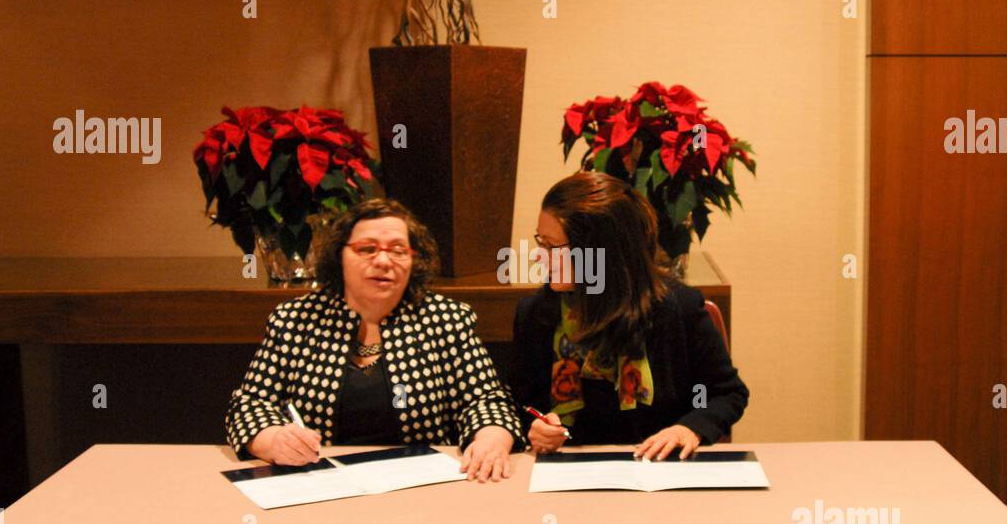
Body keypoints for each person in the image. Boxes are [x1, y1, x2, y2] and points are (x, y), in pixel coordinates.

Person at [226, 198, 523, 481]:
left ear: (413, 260)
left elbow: (486, 401)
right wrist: (272, 440)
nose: (383, 261)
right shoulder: (296, 319)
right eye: (367, 249)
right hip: (318, 484)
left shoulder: (446, 318)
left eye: (397, 250)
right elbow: (250, 405)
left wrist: (491, 438)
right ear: (339, 256)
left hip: (423, 486)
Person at [512, 172, 748, 459]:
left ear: (600, 252)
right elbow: (520, 405)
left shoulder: (677, 308)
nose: (538, 256)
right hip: (568, 475)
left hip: (659, 472)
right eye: (540, 242)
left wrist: (689, 428)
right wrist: (534, 426)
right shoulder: (536, 315)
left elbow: (726, 393)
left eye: (552, 246)